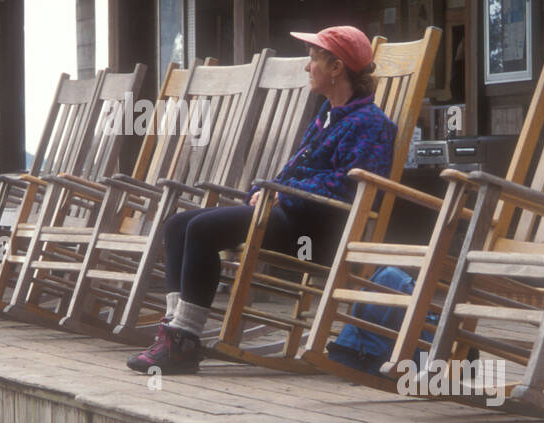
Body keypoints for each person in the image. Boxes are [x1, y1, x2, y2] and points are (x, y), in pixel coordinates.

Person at [127, 25, 396, 374]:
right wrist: (267, 188)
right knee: (178, 224)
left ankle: (183, 342)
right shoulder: (327, 116)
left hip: (320, 233)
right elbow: (296, 171)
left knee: (203, 230)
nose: (306, 66)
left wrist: (281, 192)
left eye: (313, 58)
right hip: (293, 216)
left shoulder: (372, 124)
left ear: (336, 67)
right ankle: (174, 332)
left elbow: (350, 187)